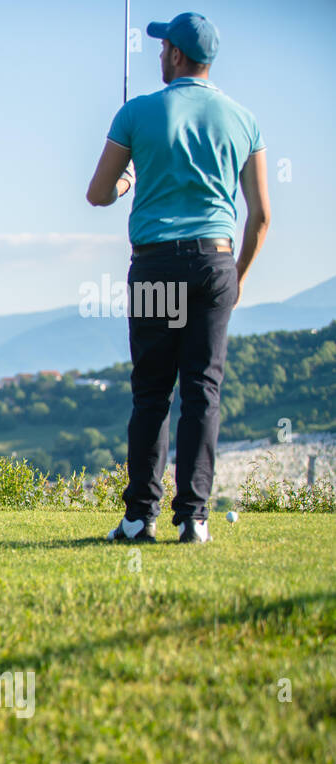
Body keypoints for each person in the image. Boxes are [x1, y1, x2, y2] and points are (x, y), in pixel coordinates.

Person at [86, 11, 269, 543]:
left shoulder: (137, 113)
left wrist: (128, 179)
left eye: (163, 47)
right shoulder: (244, 119)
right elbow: (260, 216)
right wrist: (236, 278)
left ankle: (140, 517)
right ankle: (194, 518)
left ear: (175, 55)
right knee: (202, 391)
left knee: (151, 394)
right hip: (215, 260)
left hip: (157, 263)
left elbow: (98, 193)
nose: (159, 54)